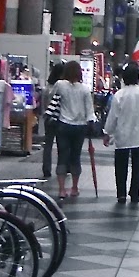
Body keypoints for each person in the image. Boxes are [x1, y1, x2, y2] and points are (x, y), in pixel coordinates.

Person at [103, 64, 139, 205]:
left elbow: (113, 116)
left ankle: (121, 193)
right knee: (137, 165)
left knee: (121, 165)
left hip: (122, 134)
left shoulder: (119, 94)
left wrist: (107, 132)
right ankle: (134, 193)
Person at [52, 60, 95, 199]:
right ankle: (75, 188)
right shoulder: (84, 89)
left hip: (63, 124)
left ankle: (61, 189)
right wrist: (91, 125)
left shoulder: (60, 85)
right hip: (80, 127)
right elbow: (89, 110)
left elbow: (53, 99)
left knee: (62, 156)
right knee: (75, 157)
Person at [38, 62, 65, 181]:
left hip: (48, 118)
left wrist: (44, 114)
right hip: (60, 118)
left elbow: (43, 104)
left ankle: (46, 169)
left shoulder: (46, 88)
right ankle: (62, 167)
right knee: (62, 145)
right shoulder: (62, 87)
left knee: (48, 144)